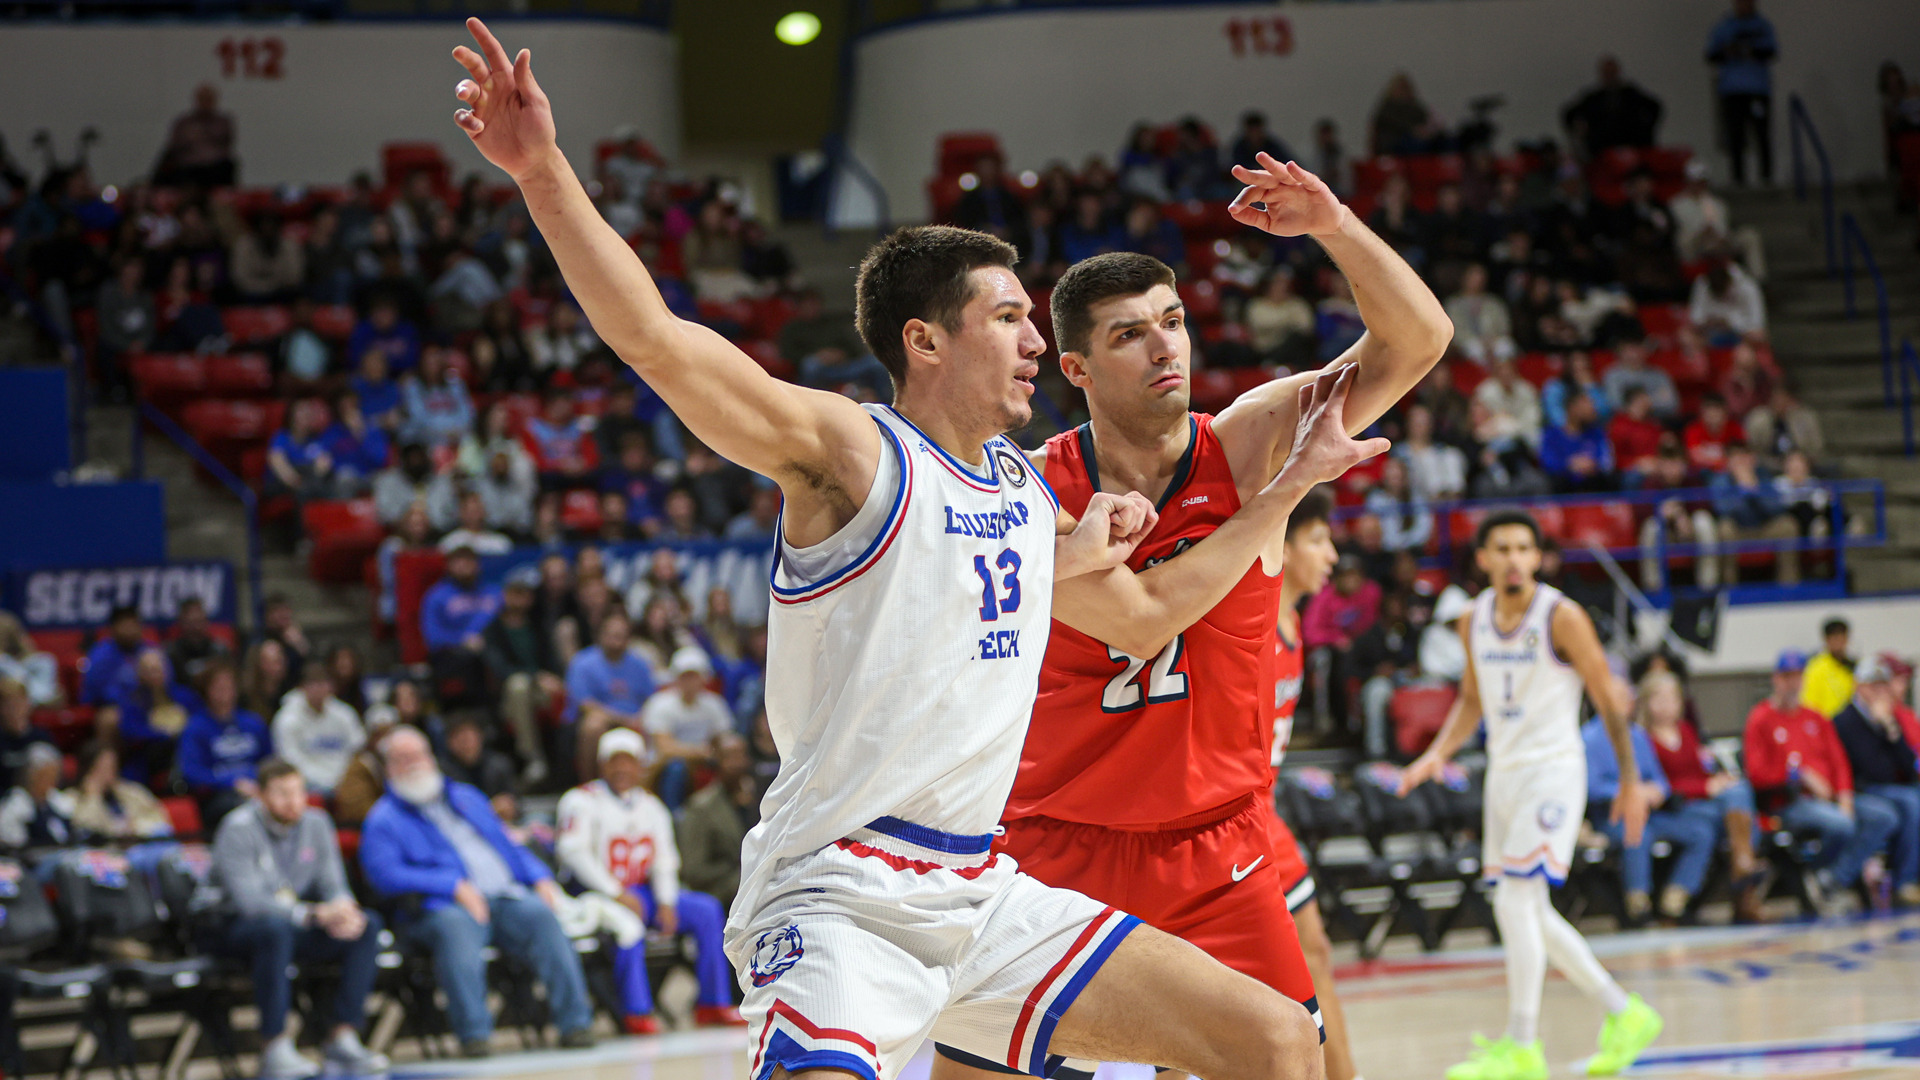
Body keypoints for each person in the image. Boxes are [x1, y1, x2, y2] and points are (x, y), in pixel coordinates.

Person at [450, 23, 1378, 1077]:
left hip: (982, 891)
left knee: (1269, 1038)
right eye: (1010, 318)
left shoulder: (1022, 487)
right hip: (844, 893)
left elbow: (1018, 585)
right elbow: (658, 342)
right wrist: (542, 173)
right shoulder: (854, 453)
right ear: (925, 342)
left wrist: (1083, 544)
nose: (1038, 343)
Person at [962, 164, 1444, 1080]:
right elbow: (1142, 624)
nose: (1162, 349)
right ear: (1075, 367)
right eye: (1129, 334)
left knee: (1291, 1059)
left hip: (1218, 841)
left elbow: (1419, 340)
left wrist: (1334, 226)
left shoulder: (1250, 441)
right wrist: (1296, 487)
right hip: (1059, 841)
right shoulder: (1025, 487)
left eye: (1172, 323)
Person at [1401, 511, 1661, 1080]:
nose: (1515, 558)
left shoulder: (1561, 615)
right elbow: (1472, 699)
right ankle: (1626, 1012)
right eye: (1504, 548)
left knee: (1516, 900)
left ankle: (1523, 1045)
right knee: (1527, 909)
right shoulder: (1472, 621)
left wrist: (1630, 779)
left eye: (1525, 548)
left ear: (1539, 558)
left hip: (1553, 772)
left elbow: (1608, 700)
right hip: (1505, 774)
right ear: (1484, 559)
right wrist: (1437, 753)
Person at [360, 726, 596, 1056]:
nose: (412, 764)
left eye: (418, 755)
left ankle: (576, 1024)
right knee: (457, 928)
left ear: (432, 758)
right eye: (401, 759)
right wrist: (452, 886)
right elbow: (384, 875)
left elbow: (506, 844)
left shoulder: (467, 797)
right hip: (435, 908)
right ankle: (474, 1035)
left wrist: (540, 876)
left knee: (541, 915)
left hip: (503, 896)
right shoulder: (383, 820)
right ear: (387, 768)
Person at [208, 759, 389, 1079]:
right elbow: (250, 904)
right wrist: (316, 914)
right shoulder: (237, 828)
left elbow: (334, 884)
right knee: (275, 930)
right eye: (281, 794)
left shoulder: (317, 823)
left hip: (290, 923)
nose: (293, 801)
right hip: (225, 926)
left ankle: (343, 1035)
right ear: (260, 796)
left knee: (366, 925)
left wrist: (344, 908)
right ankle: (274, 1045)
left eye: (298, 792)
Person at [555, 728, 743, 1034]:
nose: (622, 769)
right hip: (593, 894)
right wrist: (615, 892)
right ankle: (636, 1011)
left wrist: (667, 900)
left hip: (642, 890)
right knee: (628, 922)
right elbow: (573, 854)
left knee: (706, 910)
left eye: (629, 762)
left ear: (641, 765)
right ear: (602, 765)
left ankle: (712, 1003)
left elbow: (665, 860)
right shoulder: (580, 801)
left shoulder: (652, 806)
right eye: (614, 762)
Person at [1744, 650, 1898, 909]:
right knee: (1841, 825)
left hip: (1831, 799)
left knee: (1884, 816)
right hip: (1790, 801)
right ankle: (1822, 876)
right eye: (1786, 677)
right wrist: (1798, 774)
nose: (1792, 683)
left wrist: (1845, 795)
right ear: (1775, 679)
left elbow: (1839, 762)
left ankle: (1828, 879)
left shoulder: (1815, 717)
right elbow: (1756, 774)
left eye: (1797, 676)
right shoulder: (1760, 719)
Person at [1639, 669, 1768, 922]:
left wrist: (1715, 781)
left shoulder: (1686, 730)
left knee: (1738, 790)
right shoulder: (1643, 738)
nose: (1667, 705)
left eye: (1672, 699)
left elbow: (1700, 770)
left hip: (1702, 803)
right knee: (1738, 819)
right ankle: (1743, 882)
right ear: (1647, 702)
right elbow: (1660, 785)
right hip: (1674, 808)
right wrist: (1704, 788)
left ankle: (1741, 867)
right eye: (1660, 699)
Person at [1581, 691, 1715, 927]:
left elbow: (1660, 779)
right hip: (1612, 815)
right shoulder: (1589, 738)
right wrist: (1628, 791)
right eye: (1620, 698)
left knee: (1700, 831)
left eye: (1628, 699)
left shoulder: (1638, 736)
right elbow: (1591, 787)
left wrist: (1656, 790)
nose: (1627, 704)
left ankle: (1675, 900)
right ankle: (1638, 905)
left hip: (1651, 812)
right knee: (1637, 833)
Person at [1830, 656, 1920, 907]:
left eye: (1883, 686)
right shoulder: (1845, 720)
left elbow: (1909, 766)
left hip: (1890, 789)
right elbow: (1872, 770)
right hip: (1861, 790)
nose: (1880, 692)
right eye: (1874, 686)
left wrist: (1890, 727)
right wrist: (1880, 725)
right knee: (1910, 805)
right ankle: (1904, 882)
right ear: (1860, 686)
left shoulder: (1890, 719)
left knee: (1912, 799)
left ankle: (1908, 878)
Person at [564, 608, 657, 784]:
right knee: (593, 724)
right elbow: (585, 704)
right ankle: (590, 785)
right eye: (612, 634)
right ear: (600, 635)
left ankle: (645, 790)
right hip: (599, 720)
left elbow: (652, 700)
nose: (616, 640)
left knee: (657, 723)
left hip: (635, 720)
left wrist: (641, 718)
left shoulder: (640, 664)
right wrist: (624, 720)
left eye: (621, 635)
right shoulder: (582, 662)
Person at [484, 577, 562, 782]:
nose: (520, 600)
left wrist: (555, 678)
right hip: (507, 695)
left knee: (561, 690)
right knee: (519, 686)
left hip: (540, 690)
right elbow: (500, 669)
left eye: (524, 594)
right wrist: (536, 676)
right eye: (515, 593)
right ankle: (532, 756)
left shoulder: (538, 624)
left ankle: (565, 761)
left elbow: (552, 660)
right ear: (505, 596)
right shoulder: (493, 629)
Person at [178, 660, 271, 827]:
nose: (224, 692)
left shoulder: (253, 722)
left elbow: (270, 761)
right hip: (217, 797)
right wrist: (233, 783)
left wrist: (260, 783)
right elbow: (192, 773)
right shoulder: (196, 727)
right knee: (245, 810)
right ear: (207, 690)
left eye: (229, 686)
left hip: (257, 789)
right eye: (218, 687)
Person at [676, 732, 759, 910]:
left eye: (740, 755)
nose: (736, 763)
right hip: (718, 889)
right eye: (729, 757)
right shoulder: (700, 808)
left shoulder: (761, 800)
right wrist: (739, 868)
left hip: (753, 878)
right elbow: (693, 870)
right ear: (716, 763)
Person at [1303, 554, 1382, 732]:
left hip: (1362, 649)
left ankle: (1358, 723)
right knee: (1323, 659)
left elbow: (1375, 624)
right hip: (1333, 653)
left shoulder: (1371, 593)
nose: (1350, 581)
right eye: (1345, 576)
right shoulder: (1324, 597)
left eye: (1354, 575)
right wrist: (1335, 638)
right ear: (1336, 579)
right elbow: (1310, 633)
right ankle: (1324, 720)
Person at [1705, 0, 1779, 186]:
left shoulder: (1762, 26)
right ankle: (1738, 178)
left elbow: (1771, 51)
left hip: (1757, 89)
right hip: (1732, 90)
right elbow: (1711, 55)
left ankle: (1766, 176)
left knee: (1761, 133)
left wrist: (1750, 50)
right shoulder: (1724, 26)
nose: (1744, 6)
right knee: (1735, 135)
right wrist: (1730, 51)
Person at [421, 545, 505, 705]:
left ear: (478, 565)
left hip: (493, 648)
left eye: (469, 560)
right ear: (448, 566)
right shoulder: (436, 596)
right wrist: (463, 640)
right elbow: (432, 637)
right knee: (474, 660)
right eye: (458, 560)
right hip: (453, 655)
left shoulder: (494, 592)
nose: (464, 565)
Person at [1711, 442, 1799, 584]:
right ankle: (1730, 587)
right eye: (1736, 458)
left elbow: (1777, 508)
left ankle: (1788, 586)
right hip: (1738, 531)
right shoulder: (1721, 481)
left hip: (1763, 529)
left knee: (1787, 525)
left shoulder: (1763, 476)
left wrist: (1755, 490)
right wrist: (1742, 491)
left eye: (1745, 457)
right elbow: (1723, 510)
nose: (1742, 463)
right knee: (1724, 528)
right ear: (1729, 462)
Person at [272, 661, 364, 795]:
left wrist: (346, 779)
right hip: (308, 785)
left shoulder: (344, 713)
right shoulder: (287, 718)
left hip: (345, 781)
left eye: (323, 684)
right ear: (302, 687)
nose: (319, 689)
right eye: (313, 685)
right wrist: (325, 781)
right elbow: (290, 760)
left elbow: (357, 749)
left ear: (331, 687)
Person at [108, 649, 196, 783]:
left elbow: (200, 720)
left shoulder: (184, 695)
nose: (154, 675)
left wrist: (183, 732)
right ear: (140, 673)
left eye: (157, 669)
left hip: (184, 752)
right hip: (148, 758)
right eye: (148, 670)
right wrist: (164, 734)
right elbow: (129, 731)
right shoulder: (133, 700)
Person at [1562, 56, 1664, 158]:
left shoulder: (1631, 95)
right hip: (1601, 150)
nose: (1610, 76)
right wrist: (1580, 134)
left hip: (1630, 146)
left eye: (1612, 73)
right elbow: (1569, 114)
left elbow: (1655, 107)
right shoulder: (1594, 98)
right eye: (1607, 73)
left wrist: (1645, 129)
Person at [70, 740, 173, 840]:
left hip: (140, 846)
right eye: (102, 768)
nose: (109, 773)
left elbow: (160, 821)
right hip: (107, 852)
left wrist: (136, 828)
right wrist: (93, 796)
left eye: (112, 767)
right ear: (88, 769)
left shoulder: (132, 792)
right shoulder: (72, 798)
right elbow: (88, 830)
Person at [438, 713, 519, 820]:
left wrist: (509, 805)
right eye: (460, 738)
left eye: (469, 737)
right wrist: (488, 808)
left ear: (480, 737)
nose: (466, 743)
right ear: (449, 743)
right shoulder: (442, 772)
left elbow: (517, 801)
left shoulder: (499, 764)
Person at [0, 743, 79, 849]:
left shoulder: (57, 799)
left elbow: (72, 830)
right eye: (45, 776)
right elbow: (17, 845)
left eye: (54, 776)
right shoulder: (16, 804)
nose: (51, 782)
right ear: (31, 776)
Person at [156, 84, 236, 188]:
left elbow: (226, 142)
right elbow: (174, 145)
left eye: (208, 99)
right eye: (202, 99)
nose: (205, 103)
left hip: (215, 168)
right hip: (188, 167)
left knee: (225, 167)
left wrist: (203, 133)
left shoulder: (223, 122)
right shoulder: (183, 122)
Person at [1539, 392, 1616, 493]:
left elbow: (1606, 460)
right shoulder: (1552, 435)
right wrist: (1569, 464)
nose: (1593, 409)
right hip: (1564, 484)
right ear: (1572, 408)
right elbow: (1548, 461)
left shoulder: (1597, 433)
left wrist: (1593, 464)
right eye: (1587, 405)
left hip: (1594, 480)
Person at [82, 604, 147, 706]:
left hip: (145, 704)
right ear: (113, 628)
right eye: (125, 625)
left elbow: (166, 682)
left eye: (134, 624)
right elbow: (98, 691)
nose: (130, 630)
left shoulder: (149, 650)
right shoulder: (101, 654)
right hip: (110, 706)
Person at [0, 677, 53, 795]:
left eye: (19, 703)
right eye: (8, 705)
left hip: (40, 798)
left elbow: (56, 777)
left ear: (28, 704)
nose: (15, 710)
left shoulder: (41, 737)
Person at [165, 597, 231, 689]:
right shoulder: (171, 654)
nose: (196, 628)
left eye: (199, 621)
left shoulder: (220, 651)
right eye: (191, 623)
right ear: (181, 623)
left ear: (206, 622)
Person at [0, 614, 60, 708]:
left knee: (46, 660)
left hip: (13, 662)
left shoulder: (7, 621)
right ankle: (42, 699)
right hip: (3, 665)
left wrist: (23, 658)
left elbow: (25, 647)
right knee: (3, 661)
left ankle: (42, 696)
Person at [1802, 617, 1856, 718]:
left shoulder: (1853, 667)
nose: (1839, 642)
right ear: (1826, 640)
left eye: (1842, 637)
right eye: (1835, 638)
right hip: (1827, 724)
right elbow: (1809, 703)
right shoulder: (1816, 668)